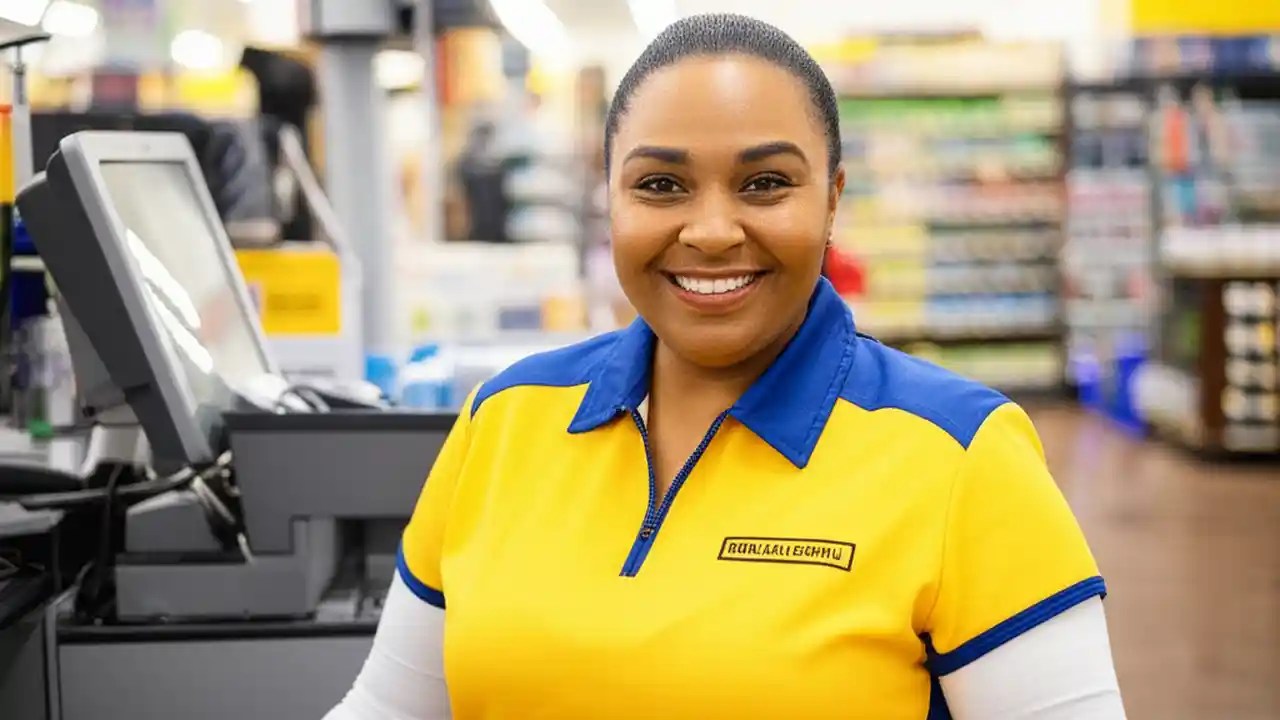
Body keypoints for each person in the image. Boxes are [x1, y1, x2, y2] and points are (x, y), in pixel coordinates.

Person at [327, 14, 1125, 720]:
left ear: (833, 200)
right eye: (661, 184)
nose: (711, 230)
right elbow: (390, 707)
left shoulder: (960, 455)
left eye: (766, 183)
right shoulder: (502, 422)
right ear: (610, 199)